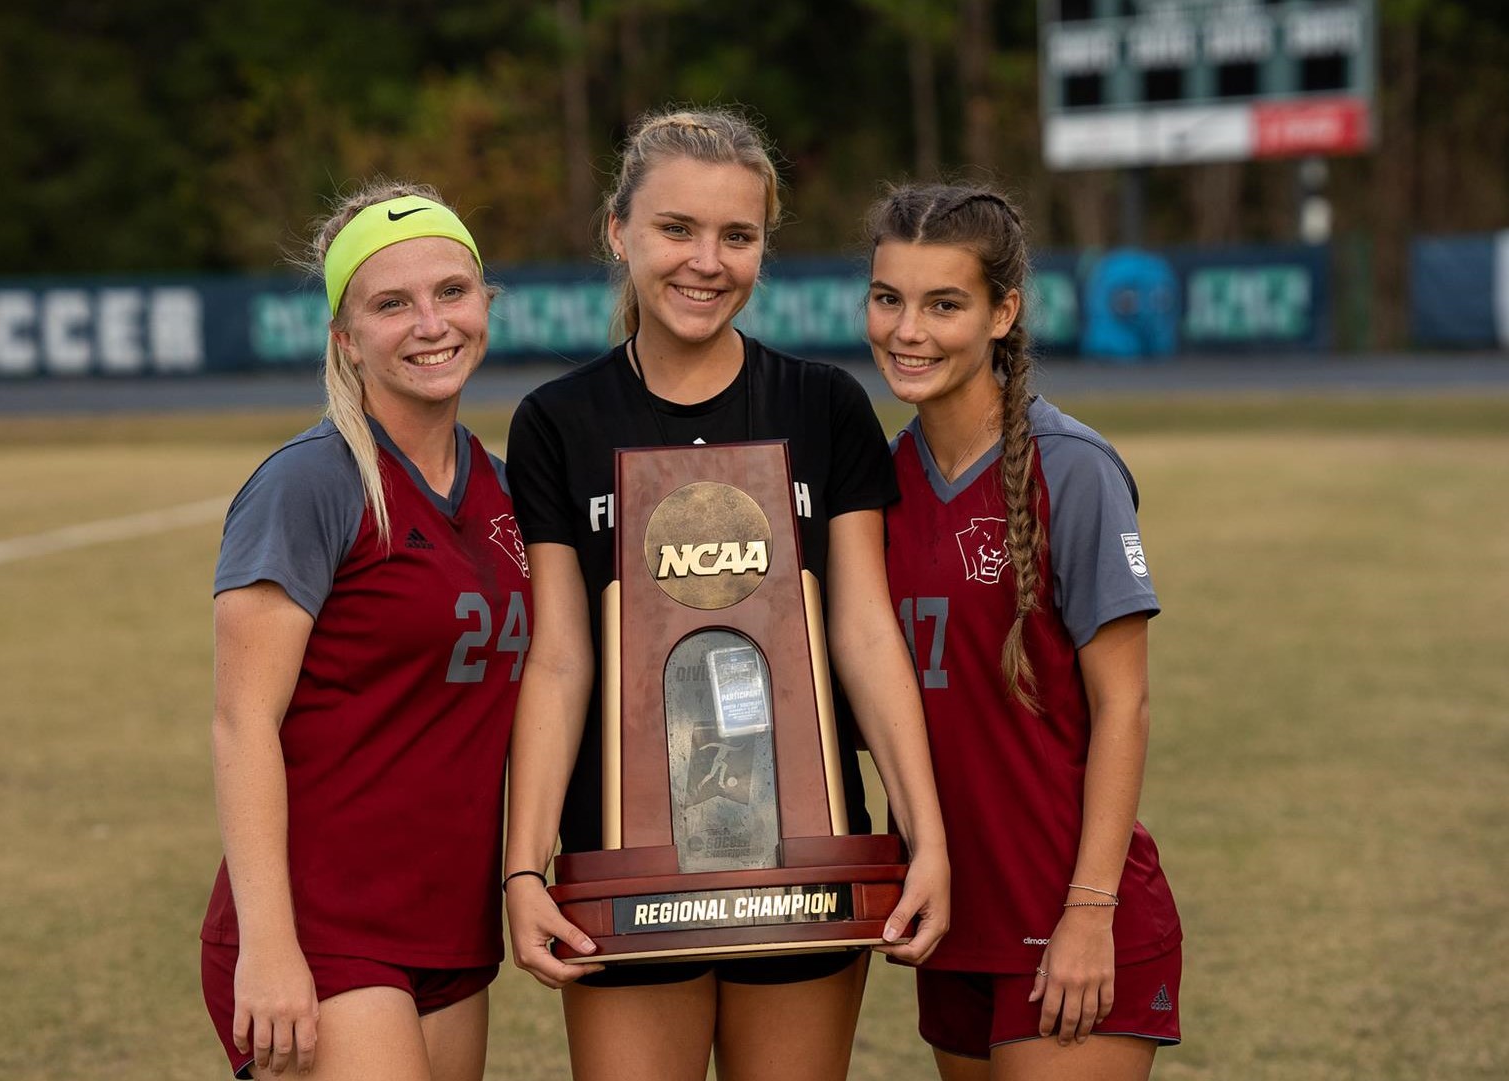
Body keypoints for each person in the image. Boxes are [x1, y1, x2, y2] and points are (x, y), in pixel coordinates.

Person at [501, 107, 952, 1081]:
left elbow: (866, 633)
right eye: (677, 229)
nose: (706, 261)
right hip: (624, 868)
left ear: (762, 248)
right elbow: (561, 656)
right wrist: (524, 865)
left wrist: (925, 833)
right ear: (620, 232)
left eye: (736, 236)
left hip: (804, 863)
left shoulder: (824, 407)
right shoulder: (555, 423)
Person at [199, 181, 530, 1081]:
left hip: (449, 924)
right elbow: (242, 724)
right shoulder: (312, 483)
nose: (431, 322)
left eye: (451, 292)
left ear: (485, 304)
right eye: (392, 304)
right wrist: (269, 949)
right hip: (323, 928)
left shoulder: (504, 492)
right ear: (346, 338)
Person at [861, 182, 1184, 1080]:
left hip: (1073, 919)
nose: (908, 330)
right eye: (889, 299)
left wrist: (1089, 911)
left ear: (1004, 312)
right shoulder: (881, 484)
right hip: (953, 922)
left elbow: (1126, 705)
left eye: (944, 304)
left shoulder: (1073, 470)